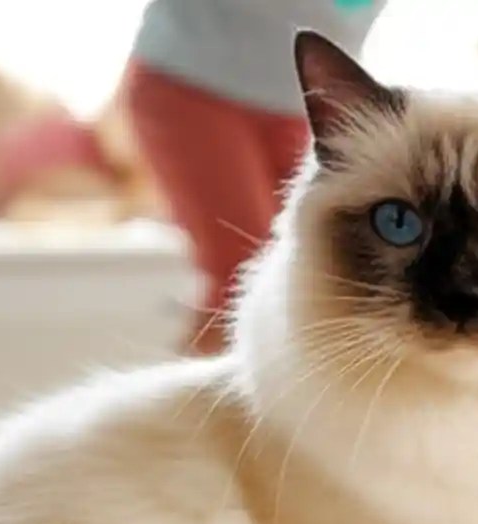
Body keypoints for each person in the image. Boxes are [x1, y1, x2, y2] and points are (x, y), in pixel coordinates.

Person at [127, 0, 387, 354]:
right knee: (241, 276)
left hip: (306, 99)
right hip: (194, 82)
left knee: (311, 278)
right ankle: (198, 408)